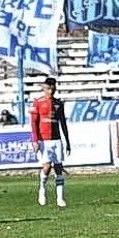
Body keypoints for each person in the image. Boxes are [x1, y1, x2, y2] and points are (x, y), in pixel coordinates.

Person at [30, 77, 71, 207]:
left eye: (53, 88)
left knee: (59, 168)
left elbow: (63, 123)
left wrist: (67, 141)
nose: (51, 91)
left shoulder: (59, 103)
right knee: (47, 167)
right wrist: (35, 140)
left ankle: (60, 198)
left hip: (57, 139)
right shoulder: (38, 102)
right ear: (44, 89)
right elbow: (33, 123)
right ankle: (42, 188)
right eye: (48, 88)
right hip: (44, 140)